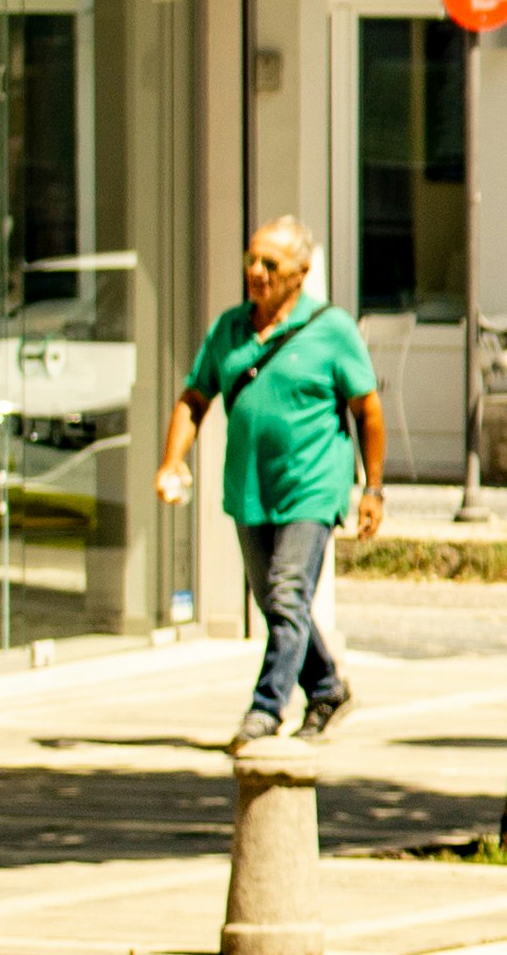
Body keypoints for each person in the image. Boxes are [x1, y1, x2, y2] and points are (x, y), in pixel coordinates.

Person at [153, 218, 384, 747]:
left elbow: (368, 412)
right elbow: (195, 398)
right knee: (278, 603)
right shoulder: (229, 329)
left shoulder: (331, 329)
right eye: (251, 260)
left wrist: (373, 489)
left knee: (286, 594)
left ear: (300, 272)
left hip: (312, 487)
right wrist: (171, 462)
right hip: (250, 490)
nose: (256, 272)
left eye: (270, 264)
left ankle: (265, 710)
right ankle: (327, 688)